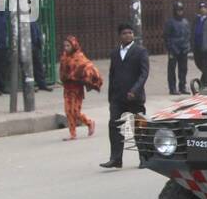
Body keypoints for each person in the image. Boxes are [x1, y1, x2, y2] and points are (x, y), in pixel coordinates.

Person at [101, 23, 149, 169]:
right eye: (124, 33)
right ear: (119, 36)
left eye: (130, 32)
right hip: (117, 97)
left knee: (138, 127)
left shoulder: (140, 51)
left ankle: (144, 158)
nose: (128, 35)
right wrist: (111, 95)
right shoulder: (115, 53)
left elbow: (144, 74)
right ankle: (116, 158)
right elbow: (112, 74)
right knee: (115, 126)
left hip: (135, 97)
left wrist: (135, 90)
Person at [58, 35, 101, 140]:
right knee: (68, 111)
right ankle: (72, 134)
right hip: (67, 88)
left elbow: (88, 67)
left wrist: (87, 76)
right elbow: (62, 71)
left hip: (77, 89)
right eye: (65, 46)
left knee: (75, 112)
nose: (66, 48)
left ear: (73, 45)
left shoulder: (79, 56)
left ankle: (89, 123)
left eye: (68, 45)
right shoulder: (64, 57)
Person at [163, 1, 191, 94]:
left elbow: (188, 35)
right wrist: (171, 48)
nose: (179, 12)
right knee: (172, 70)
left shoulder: (185, 22)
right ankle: (172, 88)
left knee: (183, 69)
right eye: (178, 10)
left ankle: (182, 87)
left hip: (183, 49)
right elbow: (166, 37)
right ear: (174, 11)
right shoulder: (170, 22)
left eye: (181, 10)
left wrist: (187, 47)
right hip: (173, 50)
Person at [29, 19, 52, 92]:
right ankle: (30, 85)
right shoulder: (25, 21)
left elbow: (37, 33)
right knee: (30, 67)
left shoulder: (34, 21)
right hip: (30, 47)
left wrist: (40, 42)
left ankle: (42, 84)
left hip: (35, 46)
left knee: (38, 66)